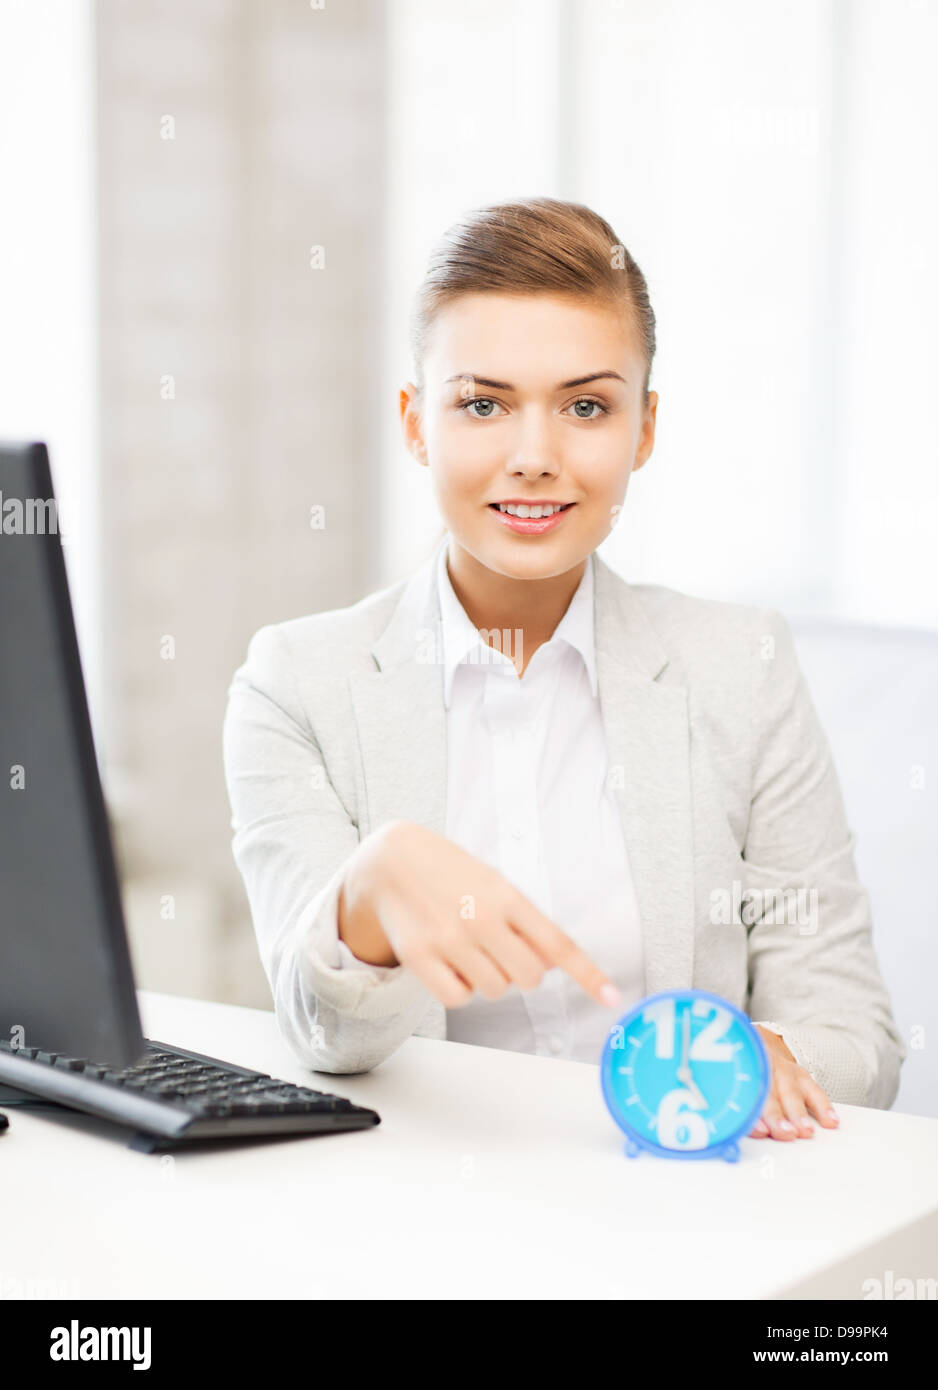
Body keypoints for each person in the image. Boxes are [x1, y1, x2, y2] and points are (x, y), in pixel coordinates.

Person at [222, 196, 904, 1142]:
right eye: (483, 404)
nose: (535, 458)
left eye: (586, 406)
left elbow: (859, 1037)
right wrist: (365, 901)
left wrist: (775, 1055)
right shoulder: (294, 685)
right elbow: (321, 1036)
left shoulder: (741, 668)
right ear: (417, 424)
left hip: (692, 1224)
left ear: (644, 429)